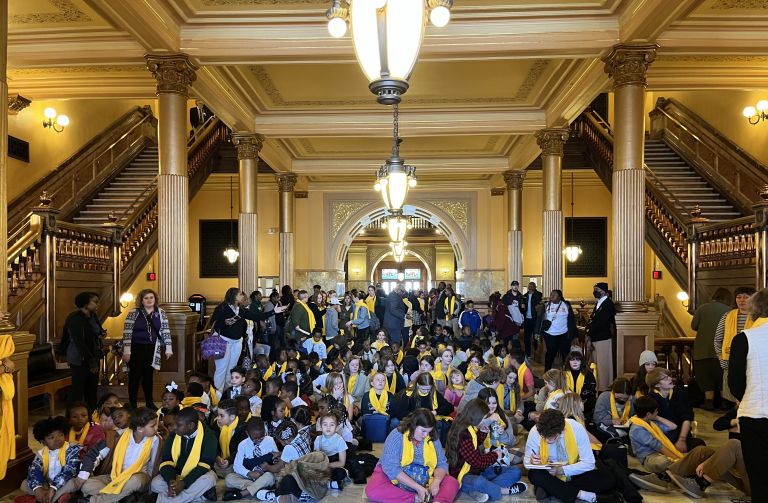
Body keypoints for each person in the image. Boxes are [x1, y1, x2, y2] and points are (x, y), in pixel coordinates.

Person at [628, 396, 749, 499]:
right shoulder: (742, 411)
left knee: (734, 444)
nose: (737, 401)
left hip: (755, 481)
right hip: (741, 468)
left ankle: (701, 483)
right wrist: (735, 422)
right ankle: (664, 478)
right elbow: (718, 424)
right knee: (701, 450)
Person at [365, 408, 459, 503]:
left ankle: (438, 501)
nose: (426, 435)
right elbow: (390, 468)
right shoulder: (397, 435)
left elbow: (442, 463)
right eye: (423, 431)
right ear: (413, 425)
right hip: (397, 477)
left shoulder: (432, 436)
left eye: (429, 431)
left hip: (425, 476)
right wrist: (418, 487)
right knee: (373, 491)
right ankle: (415, 498)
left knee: (452, 483)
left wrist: (436, 481)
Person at [524, 409, 616, 503]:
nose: (547, 441)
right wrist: (531, 461)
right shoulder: (535, 431)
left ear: (562, 430)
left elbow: (589, 463)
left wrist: (561, 470)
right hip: (549, 473)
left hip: (573, 470)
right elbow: (526, 462)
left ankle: (551, 489)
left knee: (608, 479)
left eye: (552, 437)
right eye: (544, 437)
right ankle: (581, 494)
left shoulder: (576, 428)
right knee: (534, 474)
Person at [728, 286, 768, 497]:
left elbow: (735, 383)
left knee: (759, 477)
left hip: (754, 414)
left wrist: (749, 397)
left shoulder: (744, 338)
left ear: (755, 309)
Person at [447, 398, 527, 501]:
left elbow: (474, 446)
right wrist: (495, 455)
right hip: (464, 475)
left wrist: (482, 433)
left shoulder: (470, 427)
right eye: (484, 418)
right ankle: (503, 490)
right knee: (479, 482)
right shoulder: (463, 433)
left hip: (477, 471)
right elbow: (478, 462)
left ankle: (484, 489)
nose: (485, 421)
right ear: (476, 416)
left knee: (515, 471)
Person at [80, 407, 160, 503]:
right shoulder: (120, 435)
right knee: (86, 484)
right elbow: (95, 454)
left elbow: (153, 466)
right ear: (139, 429)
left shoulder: (155, 440)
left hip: (138, 477)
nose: (157, 428)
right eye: (153, 426)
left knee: (135, 481)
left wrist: (149, 487)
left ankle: (94, 500)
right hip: (116, 476)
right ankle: (123, 498)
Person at [211, 288, 286, 390]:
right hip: (224, 341)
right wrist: (225, 322)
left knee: (232, 368)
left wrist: (273, 312)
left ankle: (228, 392)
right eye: (240, 294)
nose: (242, 296)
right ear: (233, 296)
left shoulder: (241, 310)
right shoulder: (222, 308)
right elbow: (215, 325)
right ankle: (217, 393)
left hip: (237, 342)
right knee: (221, 369)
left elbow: (256, 316)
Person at [150, 408, 218, 503]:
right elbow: (166, 460)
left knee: (210, 479)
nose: (174, 427)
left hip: (197, 476)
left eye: (179, 425)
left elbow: (204, 465)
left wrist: (183, 483)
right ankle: (200, 496)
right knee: (155, 484)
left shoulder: (209, 436)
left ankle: (164, 499)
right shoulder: (174, 434)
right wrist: (170, 480)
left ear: (191, 425)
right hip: (176, 474)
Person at [121, 289, 173, 410]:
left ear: (155, 299)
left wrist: (168, 348)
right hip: (136, 348)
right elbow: (127, 333)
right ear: (141, 300)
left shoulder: (161, 313)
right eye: (146, 298)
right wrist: (127, 351)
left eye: (151, 297)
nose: (149, 300)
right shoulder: (134, 313)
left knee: (148, 377)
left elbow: (166, 331)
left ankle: (149, 402)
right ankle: (133, 404)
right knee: (134, 377)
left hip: (152, 349)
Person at [19, 416, 84, 503]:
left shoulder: (73, 449)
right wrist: (38, 489)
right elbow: (34, 470)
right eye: (51, 437)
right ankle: (53, 497)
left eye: (60, 435)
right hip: (49, 484)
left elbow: (69, 471)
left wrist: (53, 489)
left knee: (72, 483)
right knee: (24, 484)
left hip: (66, 481)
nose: (57, 439)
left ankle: (50, 498)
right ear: (43, 442)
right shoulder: (41, 453)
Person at [690, 287, 731, 410]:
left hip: (702, 349)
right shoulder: (730, 311)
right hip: (722, 350)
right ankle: (724, 401)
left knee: (705, 377)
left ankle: (709, 402)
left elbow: (694, 325)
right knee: (722, 376)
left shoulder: (702, 308)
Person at [63, 291, 104, 410]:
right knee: (77, 390)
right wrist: (91, 361)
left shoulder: (93, 316)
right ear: (86, 303)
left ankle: (92, 414)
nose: (98, 304)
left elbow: (96, 331)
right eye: (95, 302)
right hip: (79, 358)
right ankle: (72, 416)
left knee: (92, 389)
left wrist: (101, 333)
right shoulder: (74, 318)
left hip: (93, 355)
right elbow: (79, 342)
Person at [646, 367, 704, 452]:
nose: (670, 379)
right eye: (665, 378)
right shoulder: (651, 398)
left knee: (700, 444)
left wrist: (682, 439)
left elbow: (687, 418)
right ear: (657, 385)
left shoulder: (680, 393)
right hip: (662, 435)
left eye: (669, 376)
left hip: (681, 433)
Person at [715, 285, 755, 404]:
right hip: (730, 360)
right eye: (739, 297)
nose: (742, 300)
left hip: (752, 360)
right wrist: (720, 356)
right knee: (734, 393)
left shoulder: (758, 317)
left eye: (746, 297)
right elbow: (718, 339)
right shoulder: (727, 316)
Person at [223, 417, 278, 502]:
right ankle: (259, 489)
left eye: (262, 437)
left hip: (264, 475)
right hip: (249, 476)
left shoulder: (270, 440)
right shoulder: (243, 445)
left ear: (264, 430)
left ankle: (243, 493)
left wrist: (275, 460)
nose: (259, 440)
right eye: (255, 438)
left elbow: (276, 457)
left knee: (270, 477)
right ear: (247, 433)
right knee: (229, 479)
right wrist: (249, 473)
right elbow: (237, 466)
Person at [536, 289, 577, 371]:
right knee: (550, 353)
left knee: (565, 353)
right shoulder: (546, 305)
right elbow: (539, 319)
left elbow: (572, 320)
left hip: (564, 334)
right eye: (551, 294)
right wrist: (536, 332)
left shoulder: (566, 305)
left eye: (554, 295)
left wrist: (575, 335)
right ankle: (547, 371)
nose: (551, 296)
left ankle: (567, 372)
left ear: (559, 297)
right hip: (550, 334)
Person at [586, 282, 615, 392]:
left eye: (597, 290)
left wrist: (589, 332)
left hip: (603, 338)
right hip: (595, 337)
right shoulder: (599, 303)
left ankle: (604, 387)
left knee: (604, 365)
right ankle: (598, 386)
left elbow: (603, 322)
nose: (595, 292)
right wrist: (588, 332)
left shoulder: (608, 304)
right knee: (597, 365)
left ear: (603, 291)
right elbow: (593, 319)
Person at [591, 378, 634, 443]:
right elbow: (597, 419)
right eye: (619, 397)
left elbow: (635, 417)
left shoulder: (633, 399)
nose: (622, 400)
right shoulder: (604, 397)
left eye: (625, 398)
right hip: (607, 428)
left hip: (626, 429)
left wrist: (629, 422)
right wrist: (612, 421)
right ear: (613, 391)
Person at [520, 282, 542, 358]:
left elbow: (540, 307)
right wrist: (522, 308)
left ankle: (536, 353)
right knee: (526, 338)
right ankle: (527, 354)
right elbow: (522, 308)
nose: (530, 287)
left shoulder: (539, 295)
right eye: (529, 285)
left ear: (535, 286)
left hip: (535, 320)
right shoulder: (525, 296)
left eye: (532, 285)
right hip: (527, 320)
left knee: (535, 337)